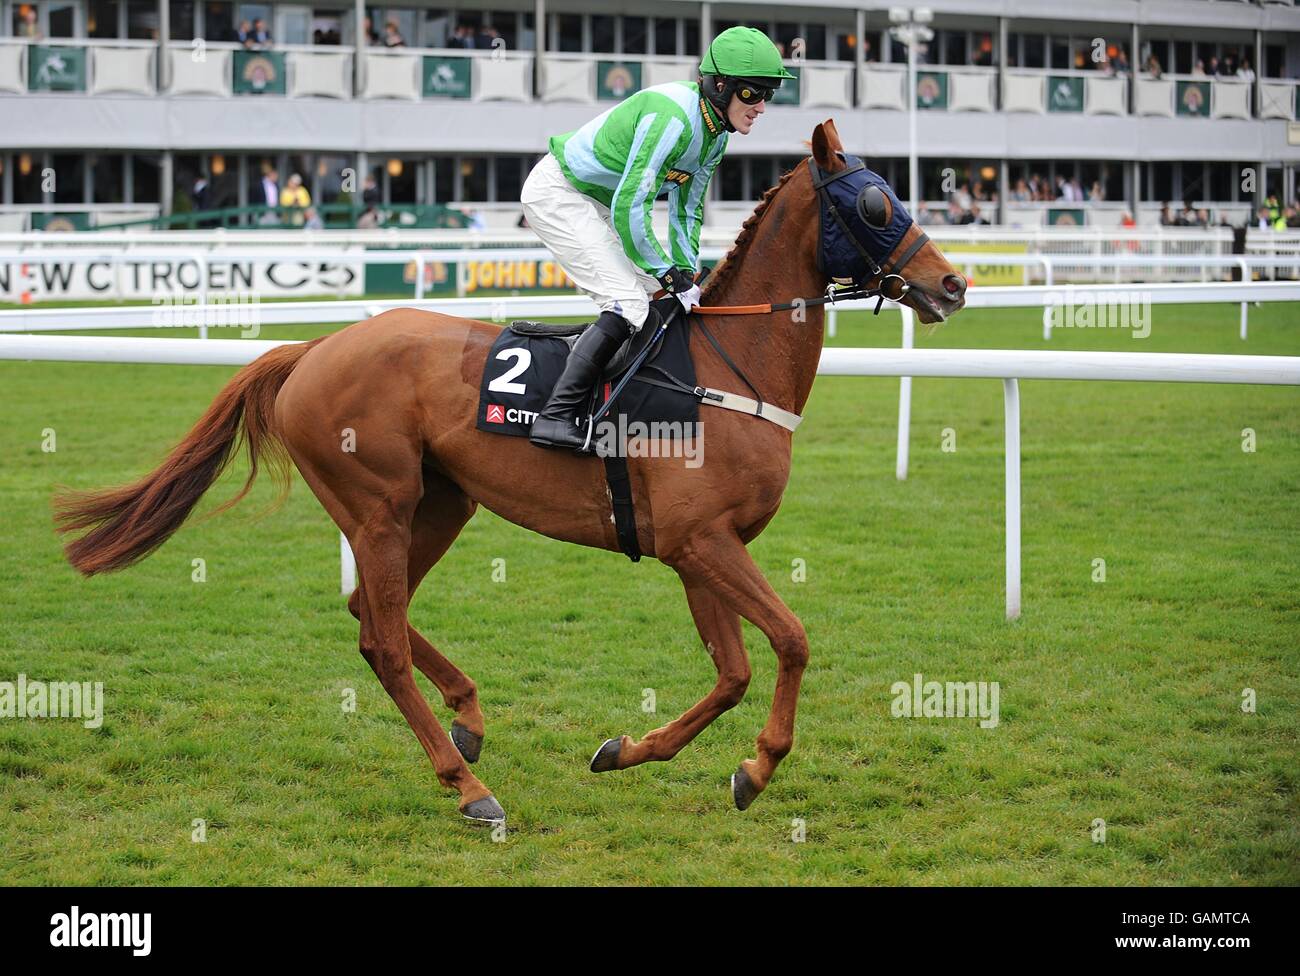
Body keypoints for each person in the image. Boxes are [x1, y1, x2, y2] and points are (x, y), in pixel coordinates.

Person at [519, 26, 793, 452]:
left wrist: (684, 272)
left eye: (768, 95)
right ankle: (556, 416)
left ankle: (627, 406)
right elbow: (633, 204)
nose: (760, 106)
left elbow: (687, 209)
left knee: (658, 301)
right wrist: (667, 273)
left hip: (600, 205)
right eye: (752, 93)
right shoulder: (673, 118)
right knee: (627, 302)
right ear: (720, 86)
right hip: (561, 194)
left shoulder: (715, 135)